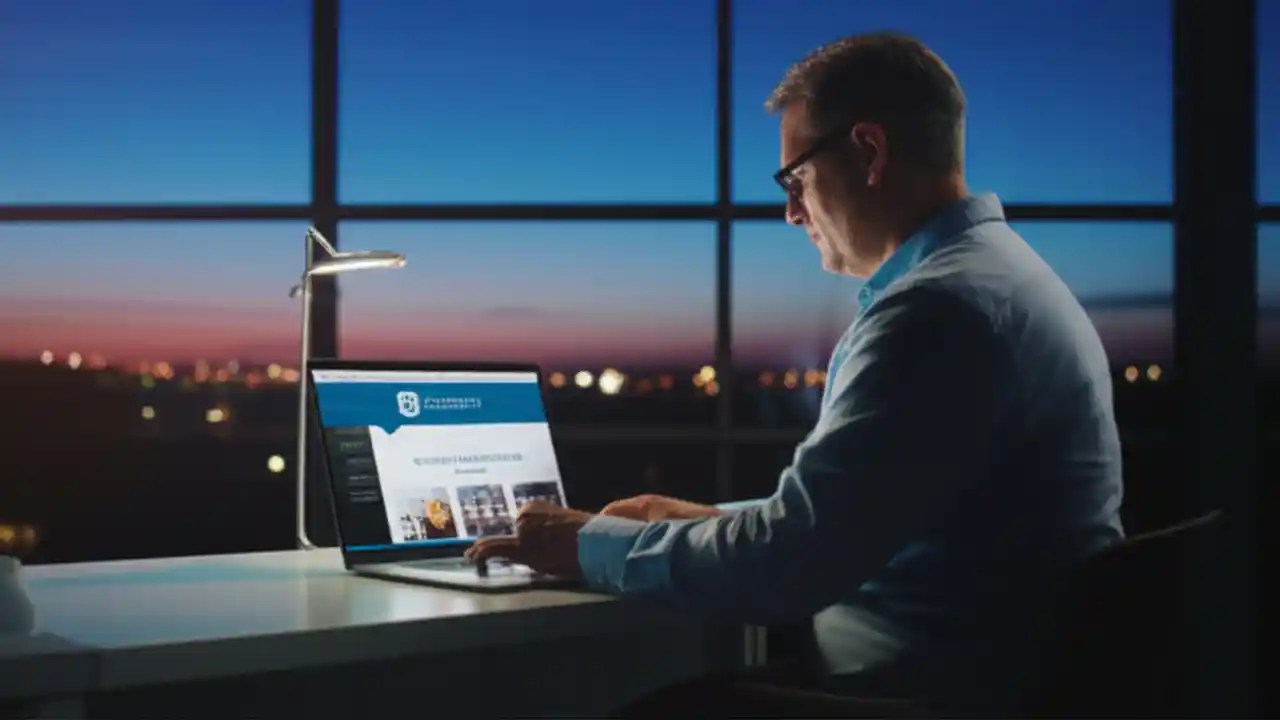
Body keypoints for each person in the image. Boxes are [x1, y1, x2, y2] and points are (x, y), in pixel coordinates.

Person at [468, 32, 1124, 715]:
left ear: (868, 151)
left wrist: (585, 545)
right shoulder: (1006, 279)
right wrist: (699, 520)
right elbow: (859, 517)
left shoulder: (935, 314)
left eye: (796, 179)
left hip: (919, 695)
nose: (790, 212)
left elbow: (787, 568)